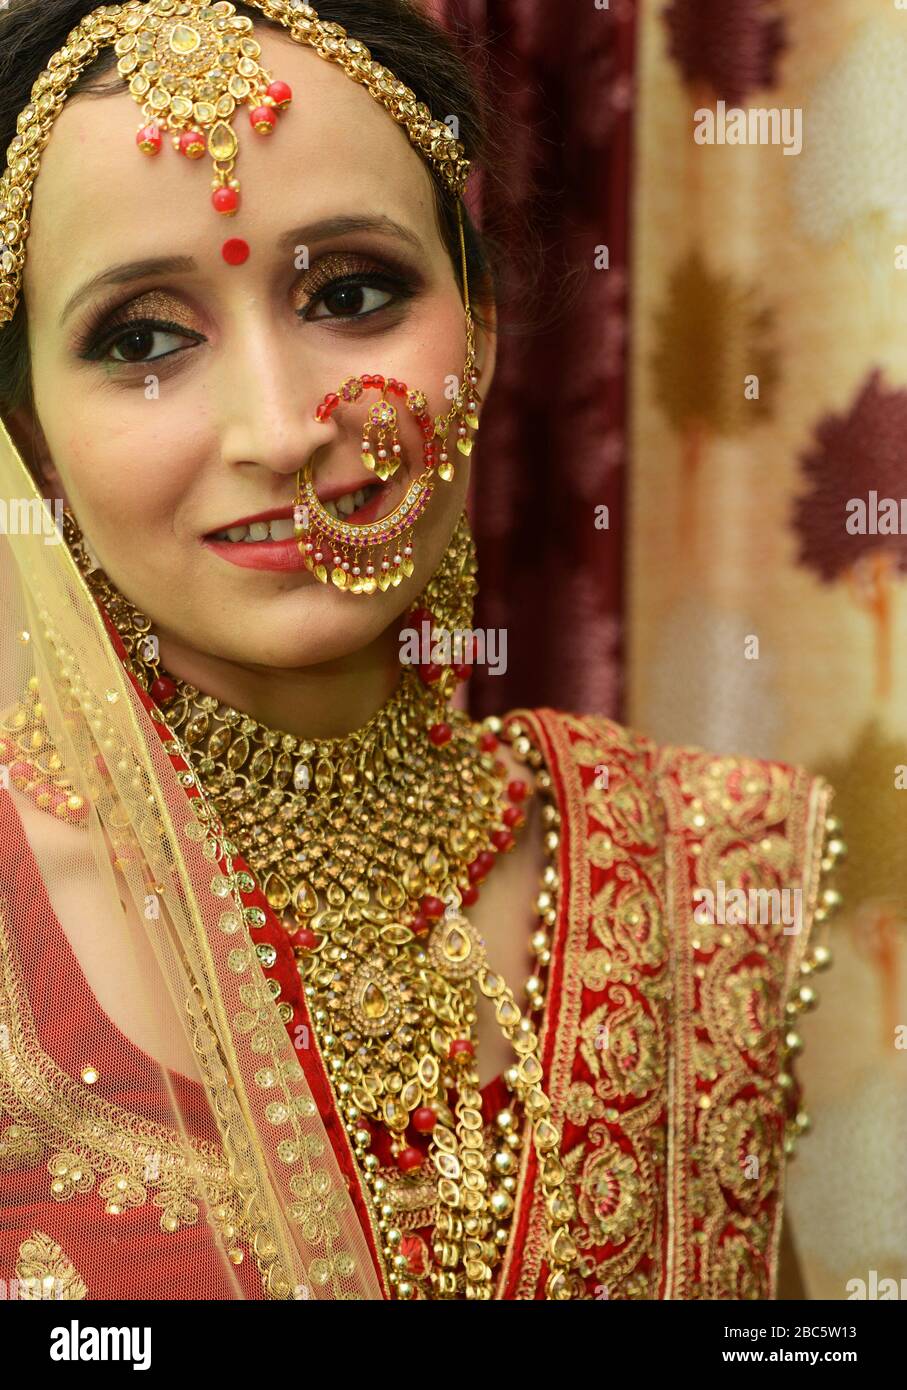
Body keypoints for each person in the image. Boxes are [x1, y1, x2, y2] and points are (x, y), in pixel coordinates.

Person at [0, 0, 843, 1302]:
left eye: (351, 293)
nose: (280, 430)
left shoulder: (695, 883)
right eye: (144, 339)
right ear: (31, 430)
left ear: (486, 329)